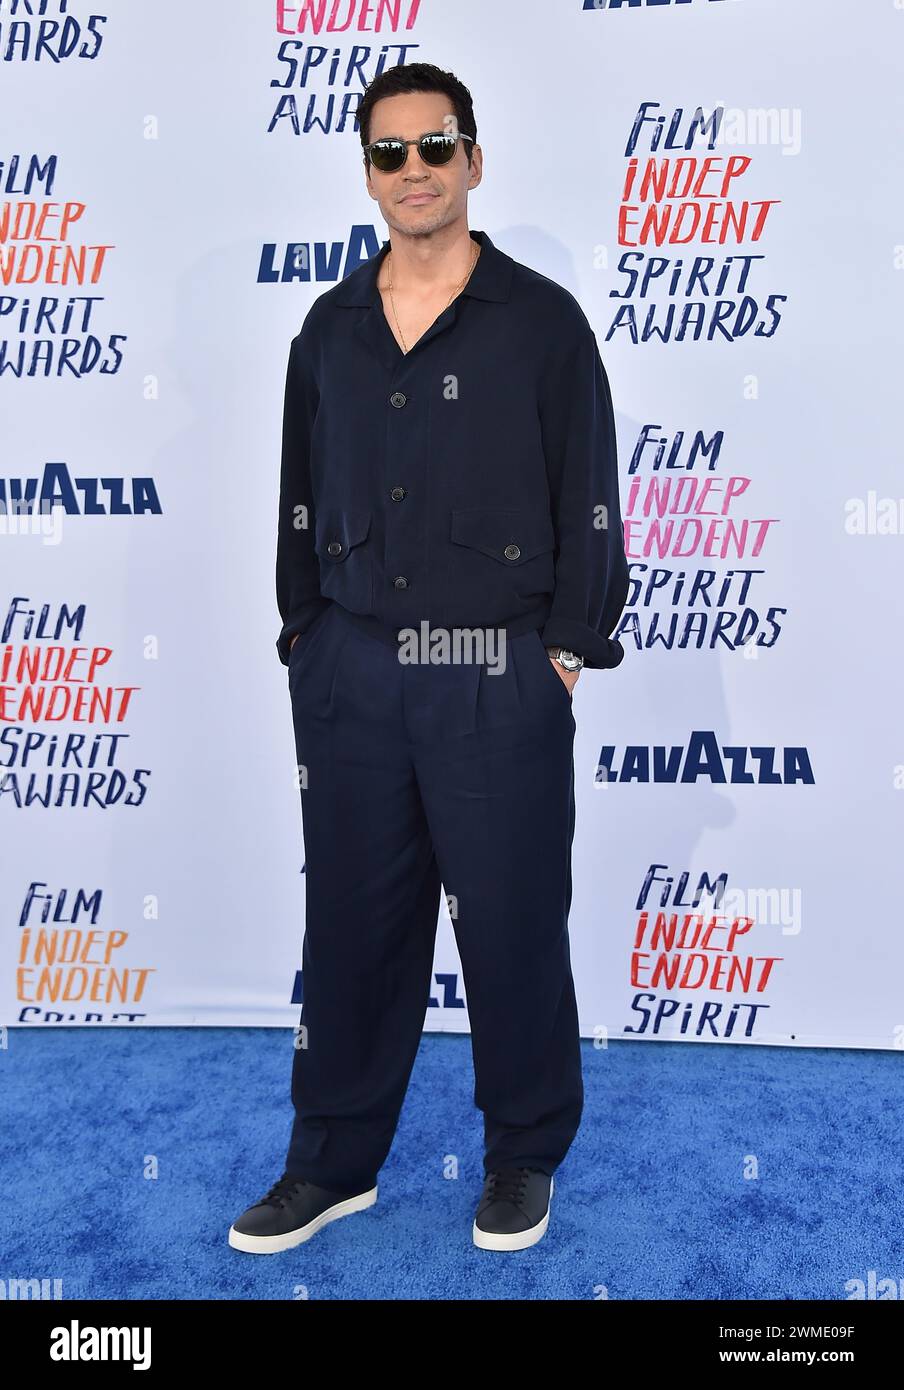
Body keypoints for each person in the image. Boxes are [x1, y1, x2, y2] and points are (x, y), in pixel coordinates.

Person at [229, 62, 629, 1256]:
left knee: (509, 923)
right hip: (350, 674)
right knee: (350, 927)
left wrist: (560, 652)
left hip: (494, 671)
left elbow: (589, 499)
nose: (414, 170)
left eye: (435, 146)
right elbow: (298, 492)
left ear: (474, 159)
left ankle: (519, 1156)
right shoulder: (330, 325)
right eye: (390, 152)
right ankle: (332, 1163)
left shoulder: (541, 324)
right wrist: (305, 637)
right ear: (366, 171)